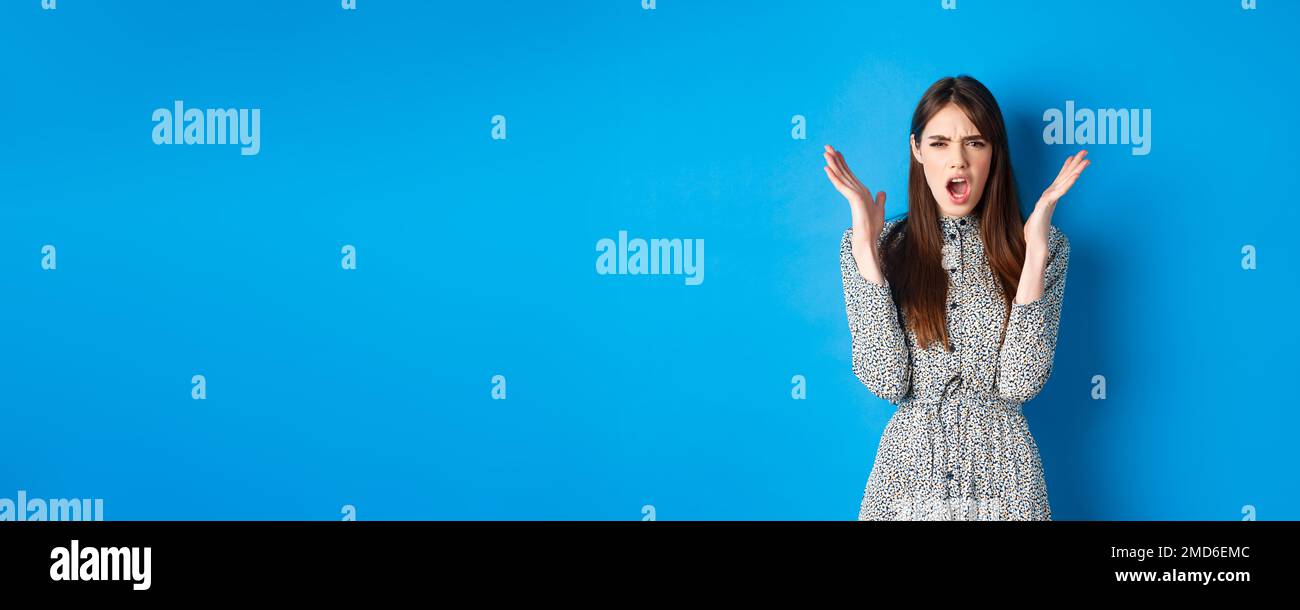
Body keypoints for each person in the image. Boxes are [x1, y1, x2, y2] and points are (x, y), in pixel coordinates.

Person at [823, 75, 1090, 520]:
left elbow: (1020, 383)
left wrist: (1036, 253)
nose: (958, 161)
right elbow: (886, 380)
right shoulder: (880, 244)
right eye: (941, 143)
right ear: (917, 151)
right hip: (908, 480)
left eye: (976, 143)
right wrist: (866, 255)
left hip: (1007, 479)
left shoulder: (1044, 248)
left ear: (995, 153)